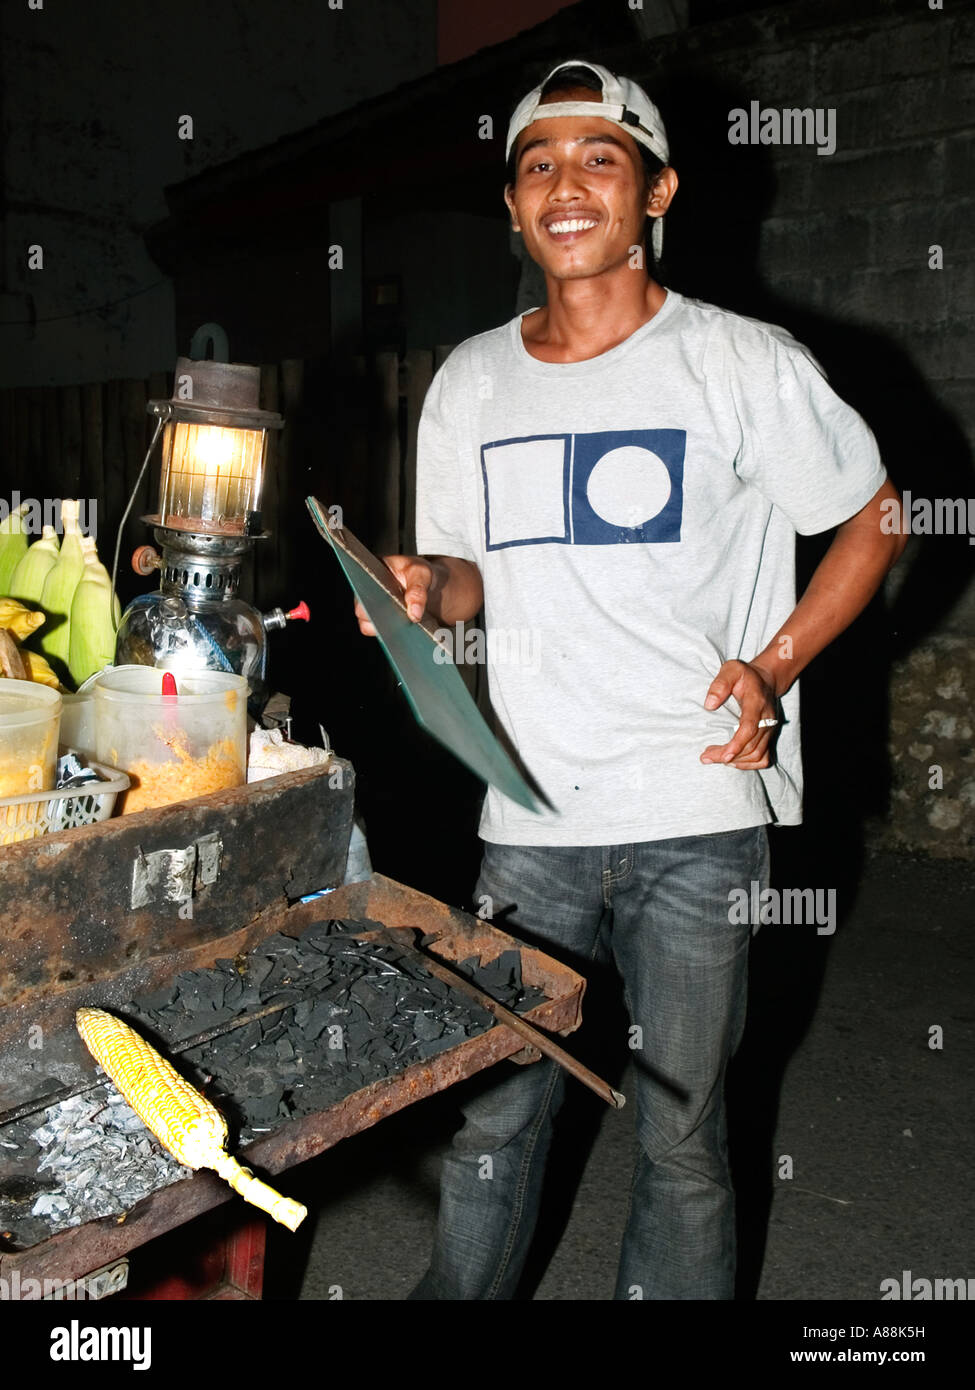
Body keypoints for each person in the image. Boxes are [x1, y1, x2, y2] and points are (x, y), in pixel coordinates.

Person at [355, 59, 907, 1299]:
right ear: (510, 206)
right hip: (530, 813)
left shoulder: (736, 360)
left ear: (657, 188)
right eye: (537, 164)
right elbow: (467, 573)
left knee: (680, 1137)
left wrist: (773, 667)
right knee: (494, 1119)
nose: (566, 185)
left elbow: (876, 512)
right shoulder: (470, 381)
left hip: (697, 816)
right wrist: (420, 590)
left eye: (599, 158)